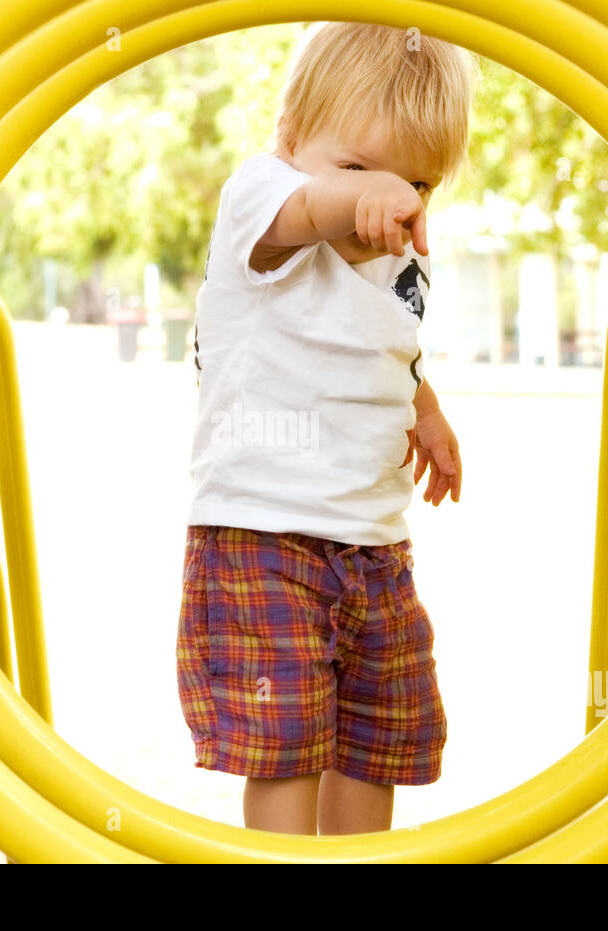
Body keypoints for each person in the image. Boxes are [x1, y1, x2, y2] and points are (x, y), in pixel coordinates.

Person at [176, 21, 477, 836]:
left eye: (417, 183)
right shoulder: (262, 199)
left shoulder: (393, 259)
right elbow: (311, 209)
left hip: (374, 545)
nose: (390, 203)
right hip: (262, 532)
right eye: (358, 167)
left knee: (374, 739)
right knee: (285, 747)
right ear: (290, 138)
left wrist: (427, 410)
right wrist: (355, 195)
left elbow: (385, 345)